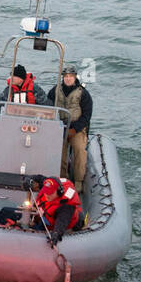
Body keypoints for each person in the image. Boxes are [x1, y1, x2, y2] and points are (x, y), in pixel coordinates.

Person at [46, 65, 92, 193]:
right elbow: (48, 107)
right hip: (59, 126)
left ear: (75, 77)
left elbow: (86, 116)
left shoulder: (83, 94)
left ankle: (78, 181)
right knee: (58, 152)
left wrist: (75, 129)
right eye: (65, 76)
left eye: (70, 76)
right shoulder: (54, 91)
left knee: (79, 150)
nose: (68, 79)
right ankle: (62, 179)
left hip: (76, 127)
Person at [30, 176, 82, 243]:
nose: (47, 195)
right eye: (45, 192)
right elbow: (41, 179)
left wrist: (56, 233)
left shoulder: (66, 206)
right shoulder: (49, 184)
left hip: (62, 226)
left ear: (59, 192)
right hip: (45, 218)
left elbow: (62, 221)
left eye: (50, 193)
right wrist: (31, 179)